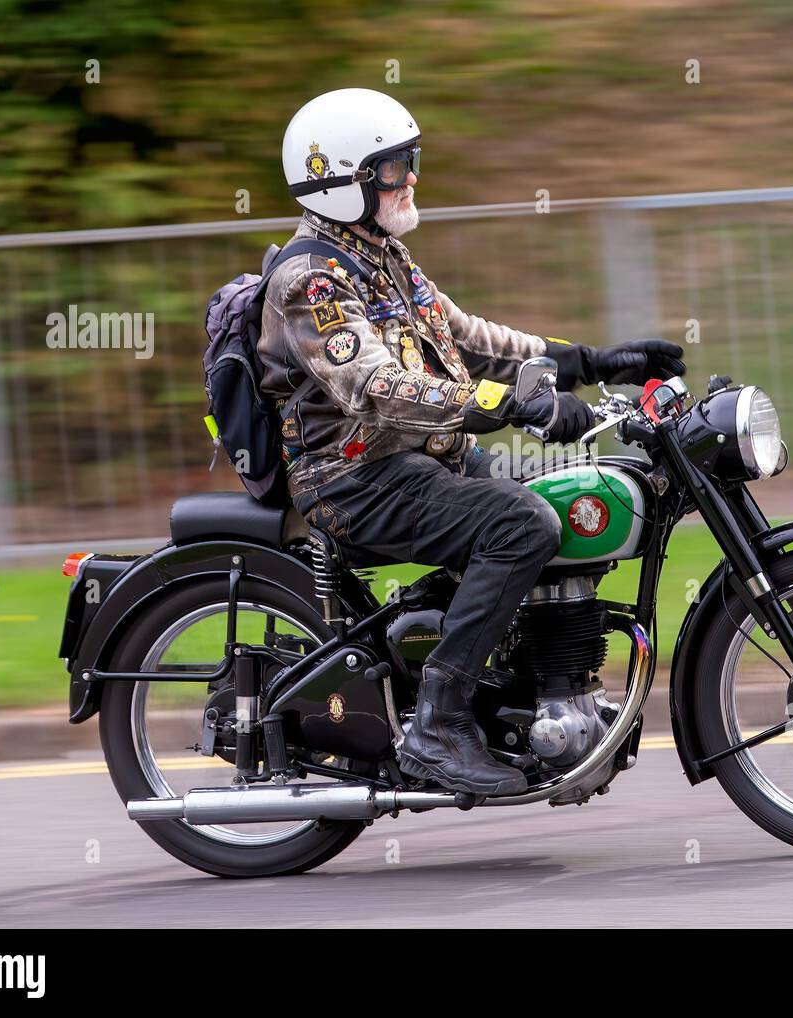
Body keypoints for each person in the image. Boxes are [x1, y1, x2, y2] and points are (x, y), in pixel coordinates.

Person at [259, 88, 684, 795]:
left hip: (424, 464)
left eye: (410, 162)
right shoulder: (313, 280)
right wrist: (500, 404)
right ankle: (437, 727)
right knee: (521, 526)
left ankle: (529, 693)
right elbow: (375, 386)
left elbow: (469, 339)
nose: (411, 177)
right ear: (343, 180)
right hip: (354, 478)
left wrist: (589, 361)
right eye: (394, 167)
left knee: (560, 514)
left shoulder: (379, 255)